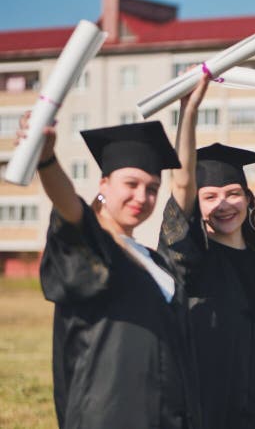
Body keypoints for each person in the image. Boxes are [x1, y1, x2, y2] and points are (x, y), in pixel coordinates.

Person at [18, 113, 202, 428]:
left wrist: (190, 109)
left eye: (152, 188)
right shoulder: (93, 246)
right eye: (131, 184)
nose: (142, 197)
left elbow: (185, 186)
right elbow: (70, 207)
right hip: (109, 413)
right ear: (104, 183)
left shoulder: (158, 263)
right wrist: (47, 159)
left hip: (165, 414)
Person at [157, 76, 255, 428]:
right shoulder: (191, 261)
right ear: (196, 206)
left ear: (249, 199)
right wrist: (188, 112)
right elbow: (182, 182)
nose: (223, 203)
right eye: (210, 196)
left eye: (233, 192)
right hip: (205, 409)